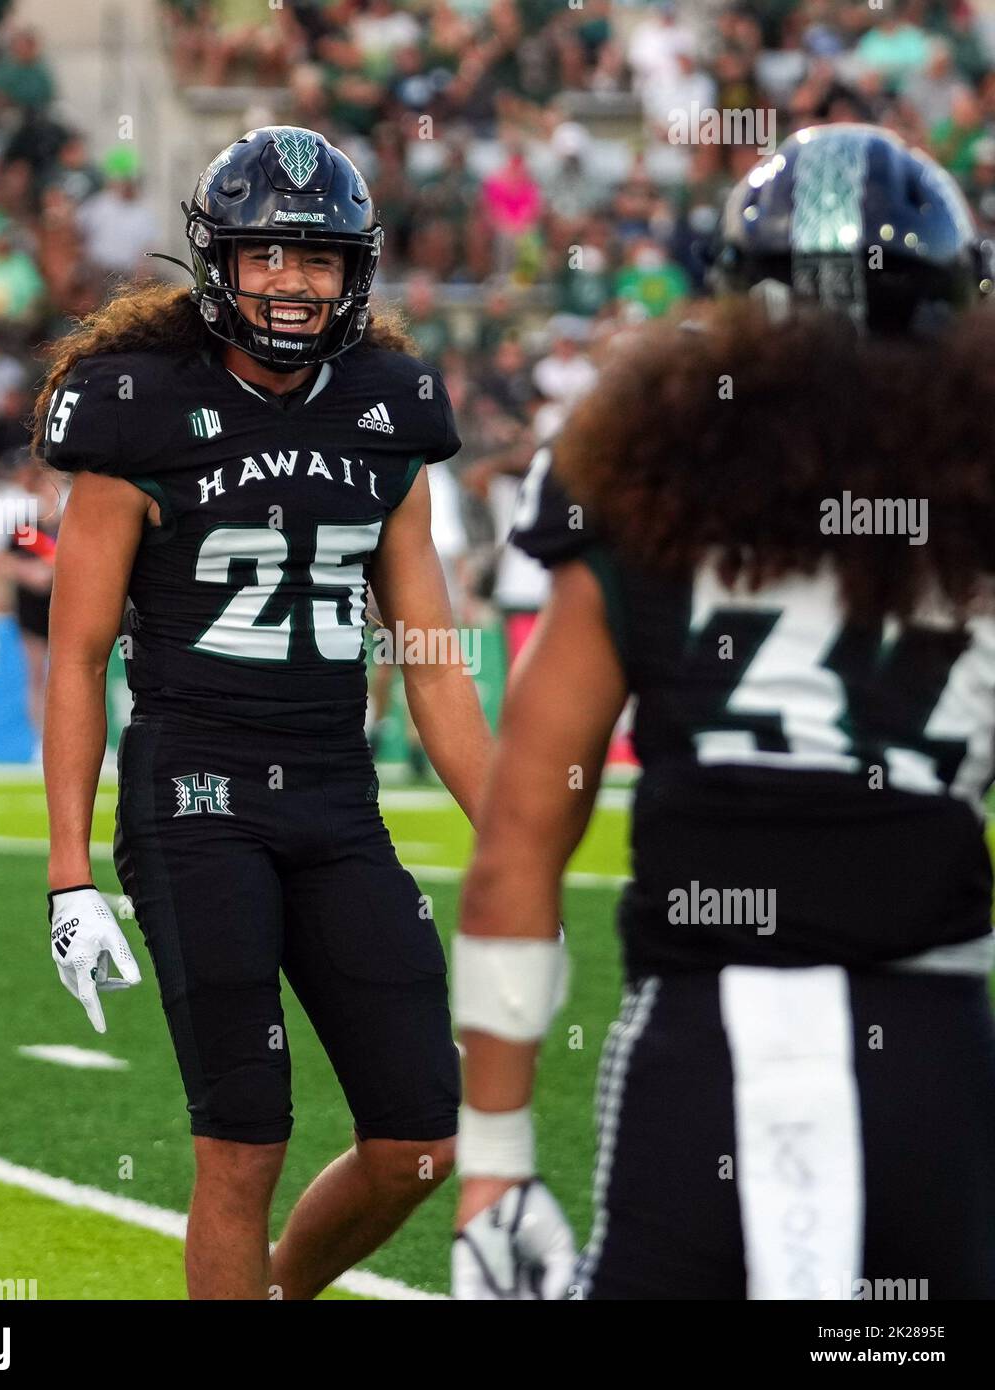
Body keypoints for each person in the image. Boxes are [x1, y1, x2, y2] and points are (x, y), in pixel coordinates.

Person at [451, 123, 995, 1300]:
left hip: (702, 1048)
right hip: (929, 1066)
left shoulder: (637, 490)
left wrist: (491, 1162)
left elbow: (518, 841)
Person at [35, 126, 491, 1300]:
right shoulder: (134, 405)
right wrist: (69, 871)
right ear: (220, 262)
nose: (291, 281)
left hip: (336, 800)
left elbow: (431, 657)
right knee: (242, 1145)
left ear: (355, 272)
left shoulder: (391, 407)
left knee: (421, 1140)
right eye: (266, 256)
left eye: (316, 258)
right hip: (194, 797)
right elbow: (77, 657)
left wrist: (512, 829)